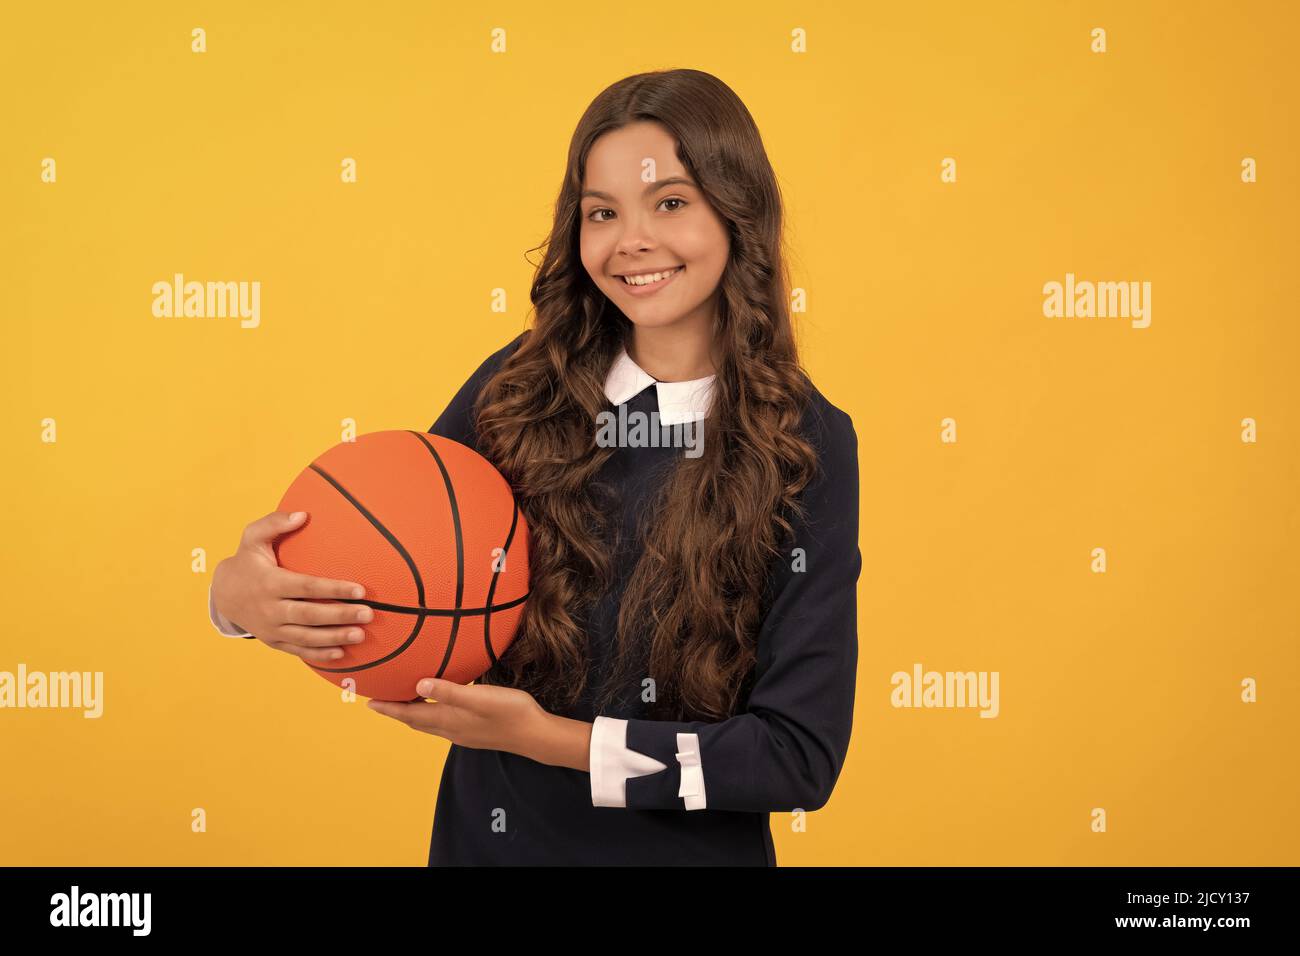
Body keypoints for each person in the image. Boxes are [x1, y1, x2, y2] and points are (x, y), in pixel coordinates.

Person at [209, 68, 861, 866]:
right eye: (602, 212)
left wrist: (554, 741)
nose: (632, 241)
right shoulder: (517, 388)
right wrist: (240, 597)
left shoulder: (808, 442)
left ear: (739, 212)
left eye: (671, 202)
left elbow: (797, 757)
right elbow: (385, 577)